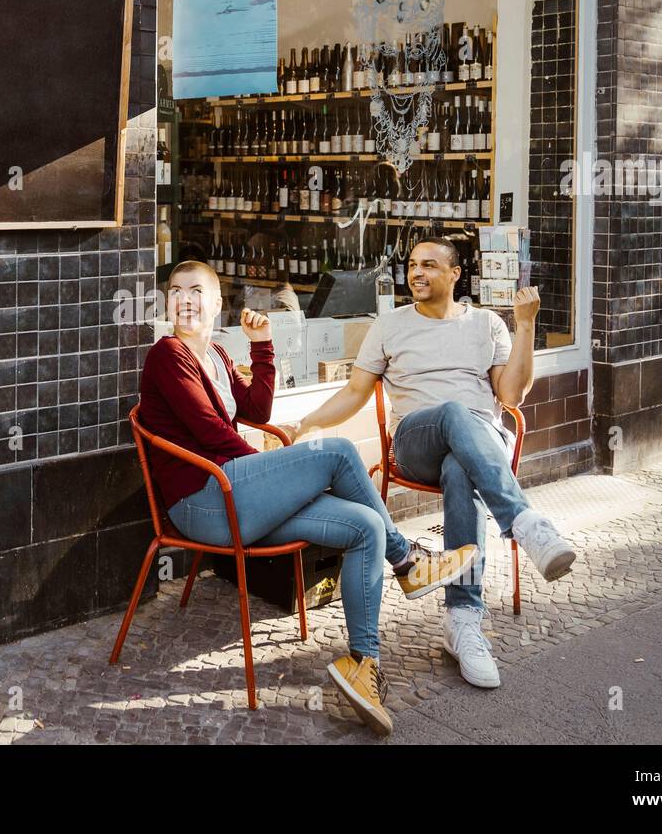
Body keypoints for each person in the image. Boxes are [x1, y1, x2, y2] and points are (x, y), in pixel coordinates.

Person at [138, 260, 477, 735]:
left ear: (218, 303)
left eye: (196, 290)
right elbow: (212, 436)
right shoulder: (168, 355)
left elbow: (257, 409)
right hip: (203, 503)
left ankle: (364, 662)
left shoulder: (213, 353)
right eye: (175, 291)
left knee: (367, 526)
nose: (185, 299)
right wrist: (289, 472)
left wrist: (262, 347)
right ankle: (408, 563)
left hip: (240, 495)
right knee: (335, 452)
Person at [279, 236, 578, 689]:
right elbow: (356, 392)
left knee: (462, 470)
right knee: (456, 412)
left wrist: (525, 326)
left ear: (456, 274)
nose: (417, 273)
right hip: (416, 441)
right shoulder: (391, 325)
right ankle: (524, 522)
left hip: (479, 443)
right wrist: (307, 422)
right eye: (414, 265)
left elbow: (511, 396)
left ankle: (463, 621)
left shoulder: (486, 324)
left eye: (430, 265)